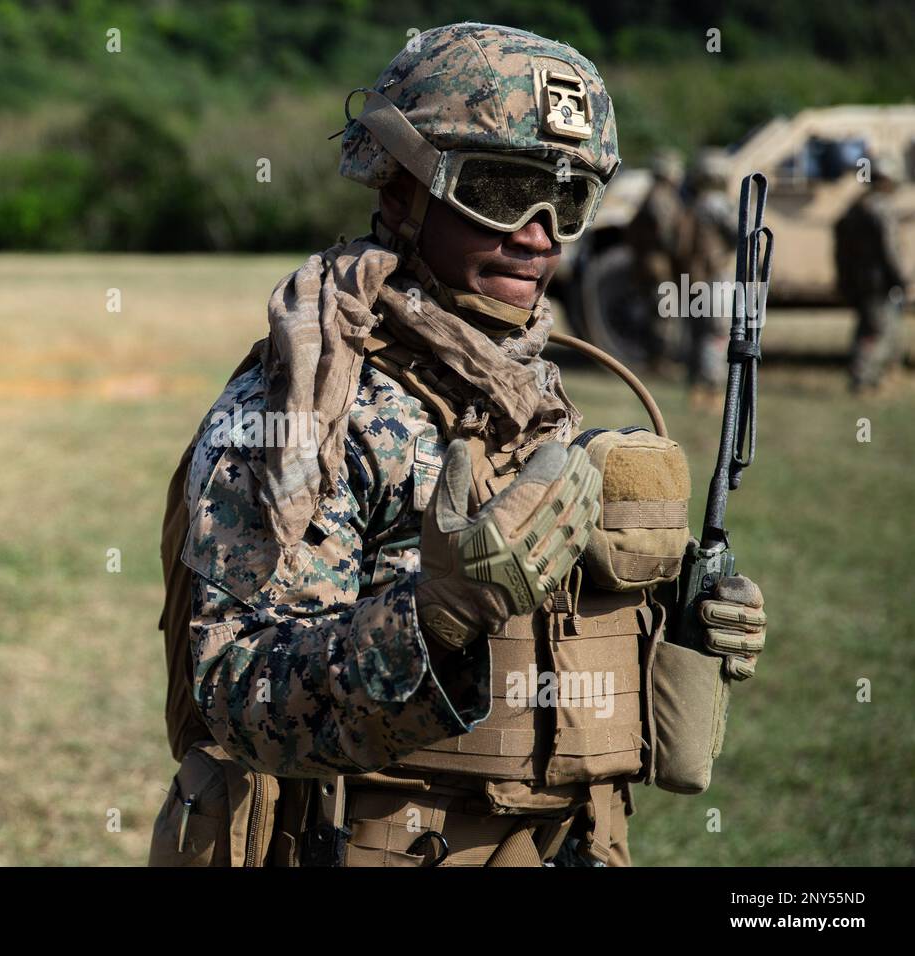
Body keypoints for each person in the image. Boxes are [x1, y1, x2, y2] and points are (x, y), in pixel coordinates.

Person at [151, 22, 768, 868]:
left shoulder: (526, 384)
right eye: (499, 190)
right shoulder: (311, 405)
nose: (540, 233)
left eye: (569, 197)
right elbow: (235, 693)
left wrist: (672, 627)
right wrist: (432, 620)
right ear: (402, 186)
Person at [833, 151, 910, 393]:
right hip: (879, 281)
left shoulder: (855, 207)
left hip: (859, 280)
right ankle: (863, 380)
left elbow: (840, 246)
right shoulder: (880, 209)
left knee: (869, 327)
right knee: (876, 331)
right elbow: (890, 249)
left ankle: (872, 377)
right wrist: (900, 277)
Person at [680, 148, 739, 411]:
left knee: (698, 334)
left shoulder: (692, 203)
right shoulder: (716, 203)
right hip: (715, 277)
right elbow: (740, 233)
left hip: (692, 277)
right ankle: (711, 389)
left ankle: (695, 387)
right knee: (716, 335)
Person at [625, 149, 687, 370]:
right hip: (657, 265)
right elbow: (666, 233)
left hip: (656, 264)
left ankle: (659, 359)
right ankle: (659, 361)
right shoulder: (660, 196)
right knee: (663, 312)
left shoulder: (658, 194)